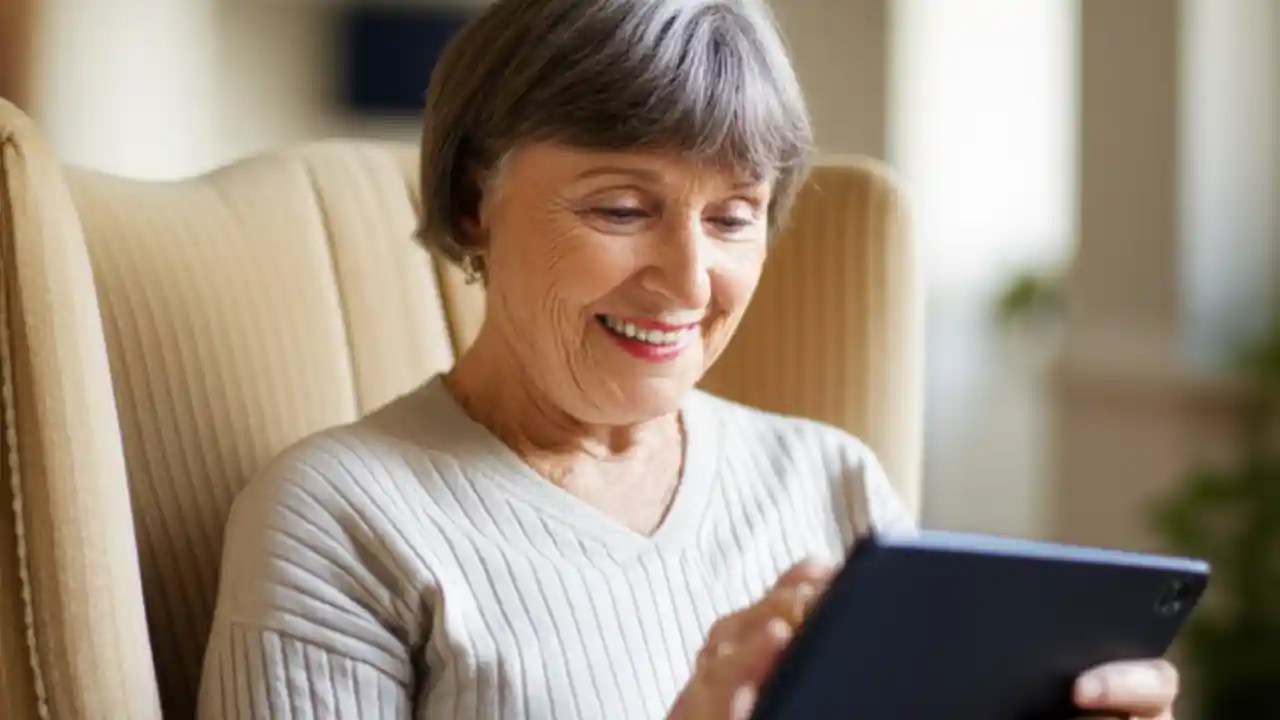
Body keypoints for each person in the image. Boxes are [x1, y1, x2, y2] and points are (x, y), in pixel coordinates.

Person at [197, 0, 1181, 717]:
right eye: (620, 210)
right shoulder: (340, 519)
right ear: (471, 202)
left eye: (732, 217)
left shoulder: (832, 484)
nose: (687, 280)